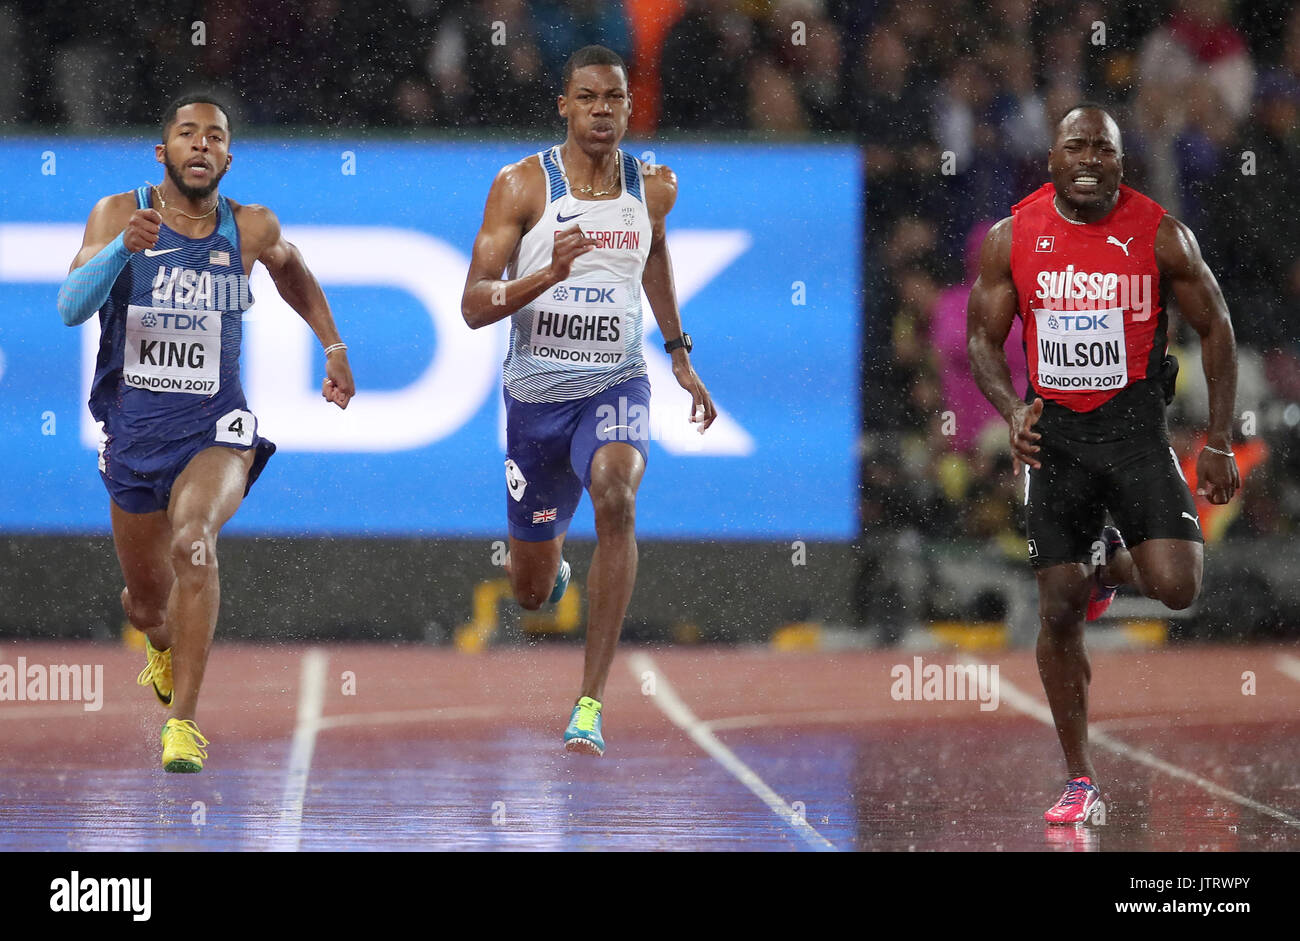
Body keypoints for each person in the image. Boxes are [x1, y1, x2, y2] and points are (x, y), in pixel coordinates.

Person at [57, 93, 355, 772]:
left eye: (214, 136)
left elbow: (291, 268)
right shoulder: (117, 212)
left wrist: (333, 346)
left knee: (195, 544)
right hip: (133, 438)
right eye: (186, 135)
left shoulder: (247, 227)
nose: (200, 145)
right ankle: (160, 642)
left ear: (227, 156)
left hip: (216, 429)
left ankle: (183, 724)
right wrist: (117, 255)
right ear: (163, 154)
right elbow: (71, 307)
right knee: (144, 606)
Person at [967, 104, 1239, 823]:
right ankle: (1080, 777)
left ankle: (1111, 566)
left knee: (1178, 588)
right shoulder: (1013, 236)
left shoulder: (1161, 236)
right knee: (1057, 605)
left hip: (1134, 433)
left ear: (1122, 161)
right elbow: (980, 339)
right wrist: (1010, 409)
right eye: (1076, 146)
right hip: (1053, 439)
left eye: (1104, 149)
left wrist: (1215, 437)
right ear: (1051, 157)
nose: (1090, 158)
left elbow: (1216, 328)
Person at [461, 45, 716, 756]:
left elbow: (654, 250)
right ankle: (551, 561)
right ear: (564, 106)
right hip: (536, 399)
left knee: (616, 493)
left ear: (632, 108)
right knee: (531, 592)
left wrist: (678, 352)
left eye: (615, 98)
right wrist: (546, 274)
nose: (602, 110)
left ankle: (589, 701)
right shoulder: (521, 186)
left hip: (615, 382)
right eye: (588, 97)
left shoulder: (655, 187)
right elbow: (473, 306)